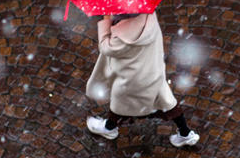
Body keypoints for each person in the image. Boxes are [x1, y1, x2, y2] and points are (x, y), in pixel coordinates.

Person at [85, 12, 199, 147]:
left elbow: (106, 48)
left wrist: (106, 20)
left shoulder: (122, 37)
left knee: (120, 102)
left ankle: (109, 128)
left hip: (133, 78)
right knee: (167, 102)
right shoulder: (149, 16)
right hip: (151, 70)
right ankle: (185, 133)